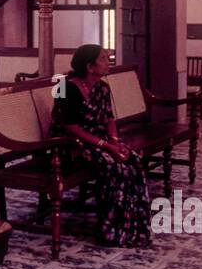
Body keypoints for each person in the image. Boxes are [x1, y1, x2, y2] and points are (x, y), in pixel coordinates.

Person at [50, 44, 151, 247]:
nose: (108, 62)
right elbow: (70, 127)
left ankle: (131, 226)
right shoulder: (63, 85)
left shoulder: (103, 87)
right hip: (71, 144)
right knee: (115, 167)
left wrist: (115, 142)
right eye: (104, 59)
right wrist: (107, 146)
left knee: (133, 161)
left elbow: (109, 119)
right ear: (90, 66)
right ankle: (110, 229)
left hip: (100, 139)